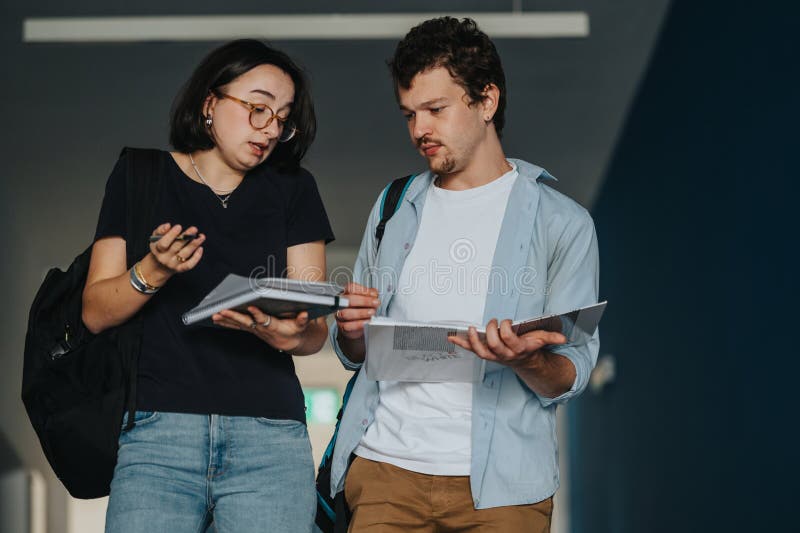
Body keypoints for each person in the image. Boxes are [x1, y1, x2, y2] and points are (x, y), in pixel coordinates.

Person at [330, 17, 600, 532]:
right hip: (386, 473)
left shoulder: (563, 223)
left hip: (503, 489)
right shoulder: (392, 206)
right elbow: (355, 354)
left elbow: (573, 371)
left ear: (486, 101)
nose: (419, 130)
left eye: (435, 110)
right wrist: (351, 333)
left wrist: (528, 360)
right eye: (409, 114)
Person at [82, 39, 333, 532]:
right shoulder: (139, 174)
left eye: (282, 118)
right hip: (158, 434)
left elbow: (313, 327)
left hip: (269, 437)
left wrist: (289, 335)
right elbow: (94, 312)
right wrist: (153, 271)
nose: (270, 129)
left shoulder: (294, 189)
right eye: (257, 108)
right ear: (210, 103)